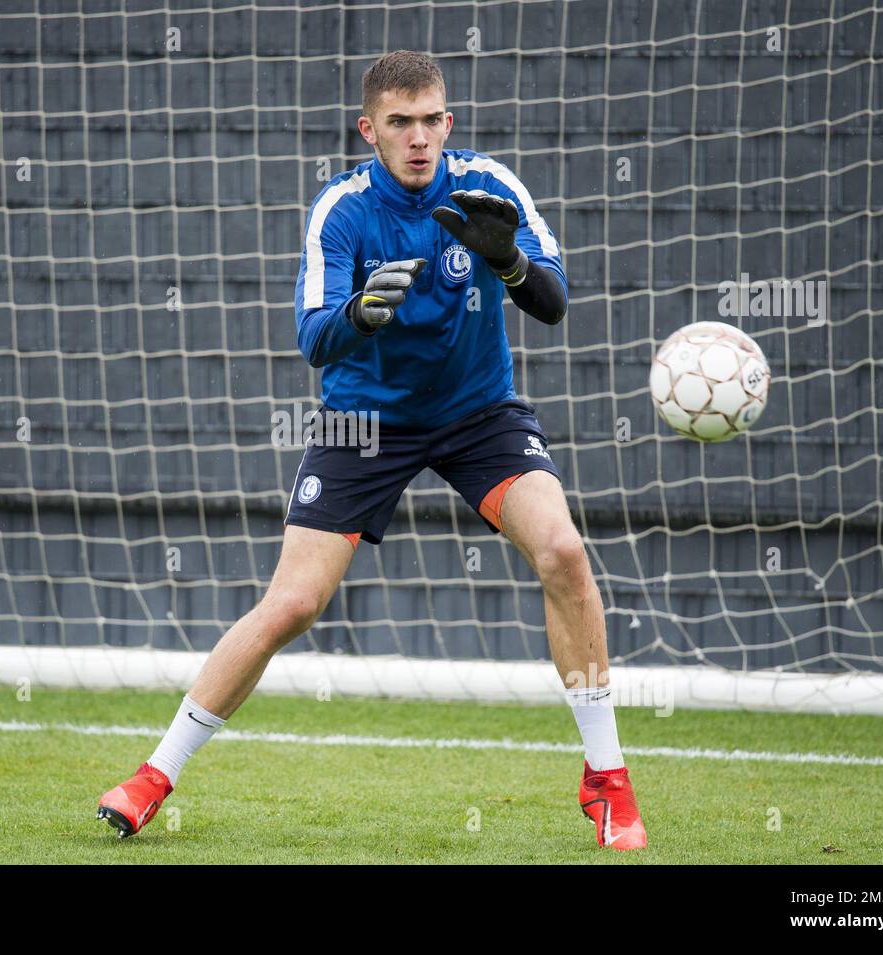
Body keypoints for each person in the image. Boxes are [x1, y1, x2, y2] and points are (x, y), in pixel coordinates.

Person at [97, 50, 646, 850]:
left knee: (563, 551)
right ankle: (154, 775)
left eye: (431, 121)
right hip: (364, 422)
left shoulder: (491, 187)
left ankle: (608, 783)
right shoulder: (342, 210)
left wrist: (511, 260)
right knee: (292, 604)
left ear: (448, 124)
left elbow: (554, 303)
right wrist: (360, 313)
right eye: (400, 123)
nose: (419, 138)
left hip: (478, 412)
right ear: (370, 130)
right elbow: (314, 341)